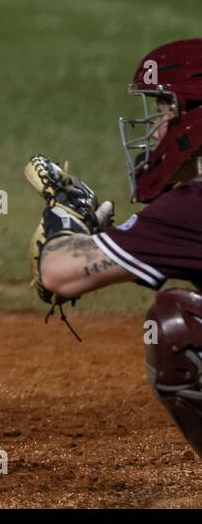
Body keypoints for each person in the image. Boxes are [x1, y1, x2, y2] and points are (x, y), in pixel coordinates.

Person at [29, 38, 202, 456]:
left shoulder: (190, 207)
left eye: (163, 112)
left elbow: (58, 272)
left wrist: (65, 216)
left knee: (176, 323)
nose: (157, 131)